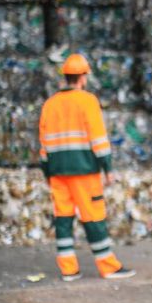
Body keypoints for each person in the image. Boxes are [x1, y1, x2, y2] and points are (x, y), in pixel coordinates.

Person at [38, 53, 135, 281]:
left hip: (57, 173)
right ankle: (108, 266)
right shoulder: (87, 101)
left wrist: (46, 172)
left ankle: (68, 269)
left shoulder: (50, 104)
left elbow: (43, 144)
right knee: (93, 216)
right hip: (84, 171)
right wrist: (108, 168)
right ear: (82, 77)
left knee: (63, 219)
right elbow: (98, 139)